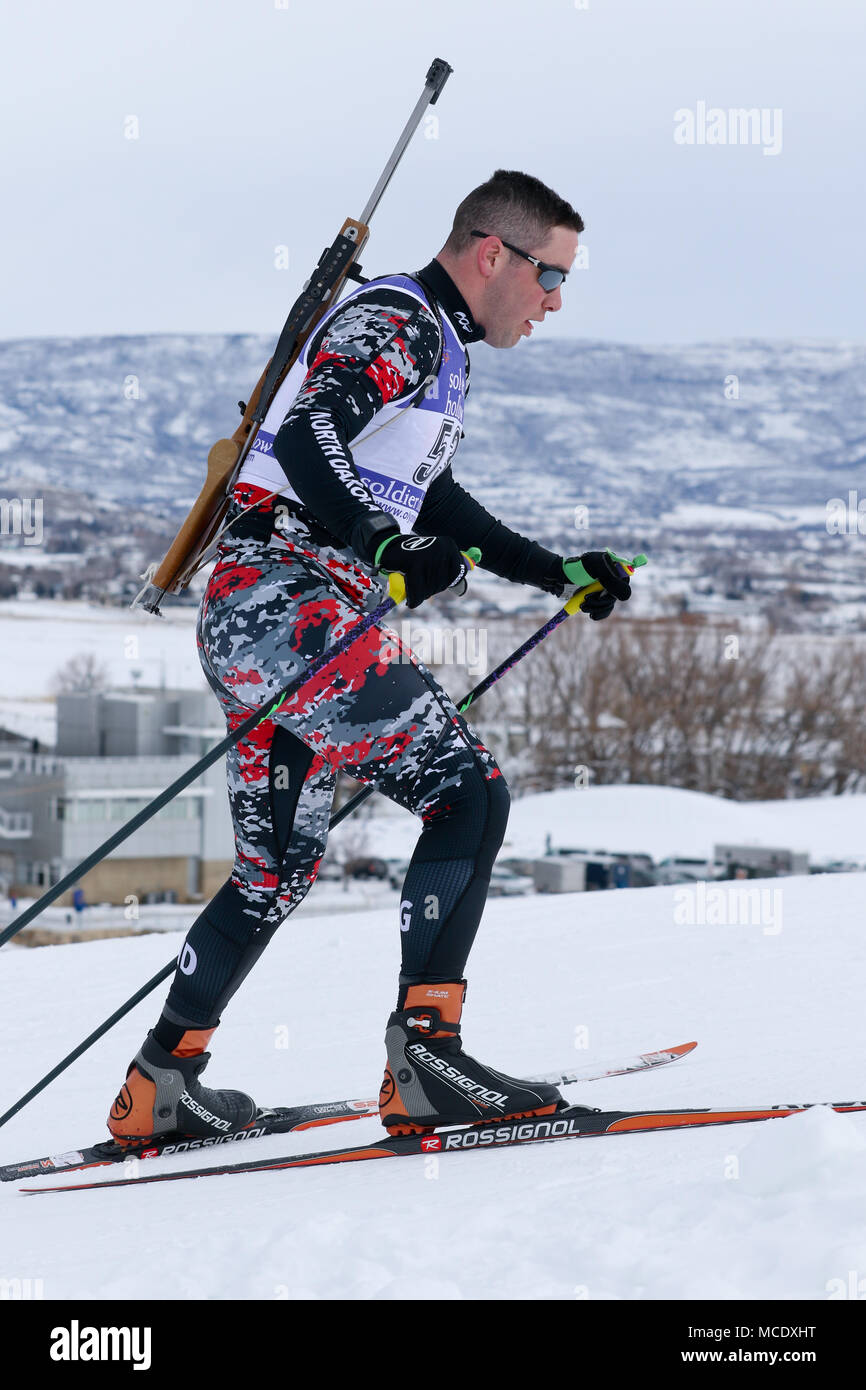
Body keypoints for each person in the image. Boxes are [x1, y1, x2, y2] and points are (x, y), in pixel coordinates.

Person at [107, 169, 632, 1144]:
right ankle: (426, 1059)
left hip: (255, 618)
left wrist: (554, 569)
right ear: (493, 253)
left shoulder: (431, 346)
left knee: (274, 869)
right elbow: (311, 432)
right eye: (550, 276)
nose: (555, 301)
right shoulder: (400, 322)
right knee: (466, 792)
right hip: (288, 612)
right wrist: (376, 545)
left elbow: (429, 499)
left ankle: (160, 1086)